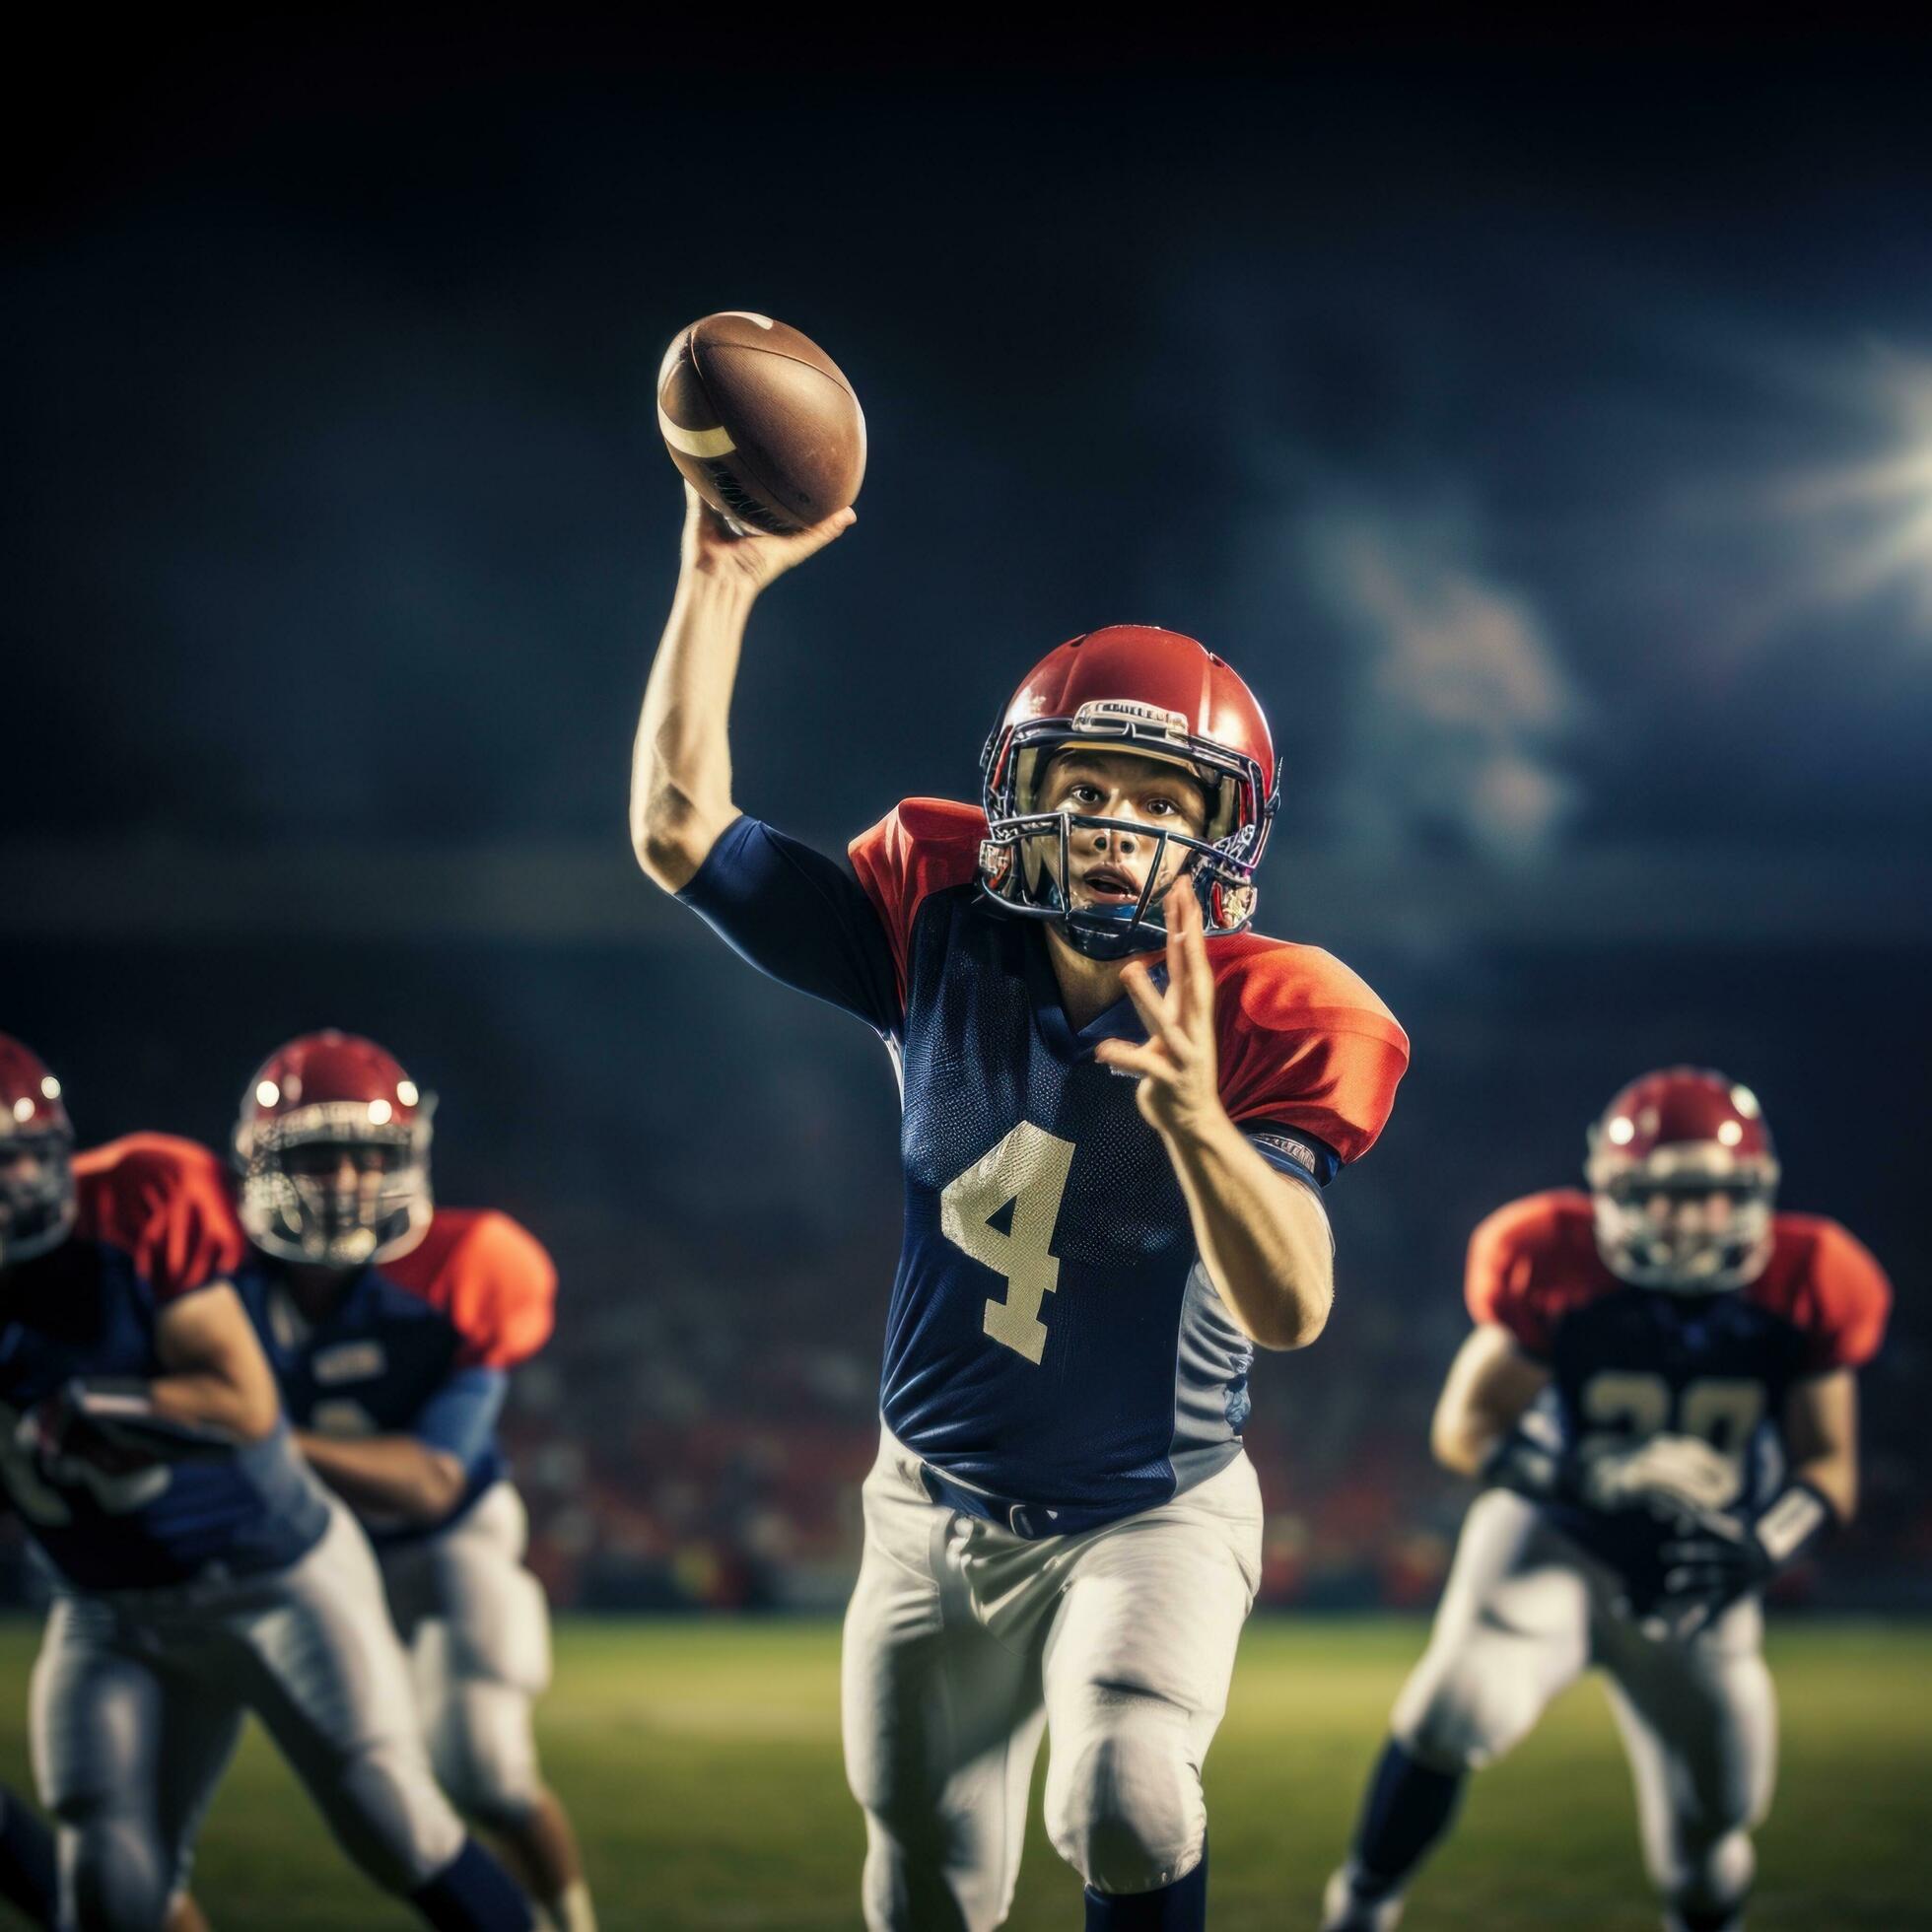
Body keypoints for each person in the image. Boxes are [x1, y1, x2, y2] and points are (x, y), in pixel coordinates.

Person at [631, 485, 1411, 1929]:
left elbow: (1293, 1306)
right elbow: (682, 831)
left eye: (1163, 804)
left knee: (1123, 1793)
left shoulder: (1275, 1015)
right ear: (1020, 798)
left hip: (1148, 1512)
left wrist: (1198, 1127)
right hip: (927, 1506)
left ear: (1223, 840)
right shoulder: (936, 925)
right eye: (1087, 787)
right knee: (926, 1885)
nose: (1116, 826)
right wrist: (719, 579)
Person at [1319, 1068, 1891, 1932]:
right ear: (1611, 1193)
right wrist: (1587, 1478)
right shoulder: (1554, 1259)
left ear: (1753, 1194)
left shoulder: (1811, 1278)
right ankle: (1359, 1907)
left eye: (1707, 1194)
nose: (1683, 1219)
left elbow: (1830, 1468)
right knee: (1453, 1711)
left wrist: (1760, 1548)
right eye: (1657, 1196)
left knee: (1715, 1826)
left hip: (1699, 1568)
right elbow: (1466, 1427)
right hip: (1556, 1537)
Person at [0, 1031, 531, 1931]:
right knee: (110, 1886)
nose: (12, 1186)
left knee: (393, 1822)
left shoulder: (145, 1200)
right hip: (111, 1608)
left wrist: (103, 1411)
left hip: (276, 1570)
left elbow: (240, 1406)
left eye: (20, 1158)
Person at [226, 1029, 594, 1932]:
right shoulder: (218, 1281)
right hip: (320, 1555)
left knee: (487, 1771)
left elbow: (432, 1480)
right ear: (263, 1162)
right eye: (316, 1154)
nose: (346, 1180)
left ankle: (572, 1921)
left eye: (367, 1154)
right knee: (384, 1788)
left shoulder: (464, 1270)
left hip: (447, 1541)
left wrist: (258, 1436)